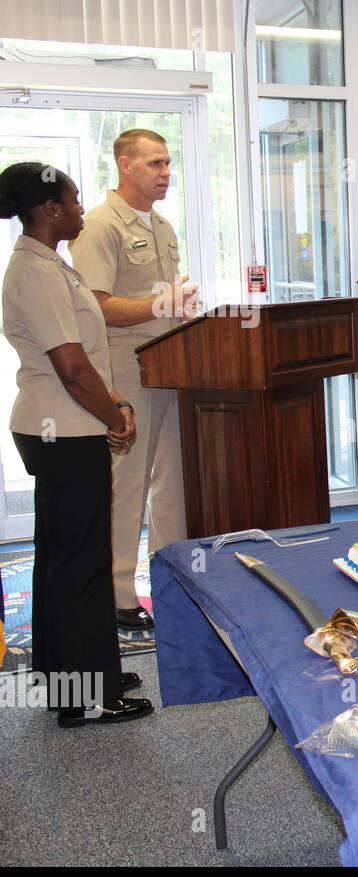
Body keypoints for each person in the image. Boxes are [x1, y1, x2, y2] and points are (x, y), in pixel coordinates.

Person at [1, 161, 152, 726]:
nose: (82, 209)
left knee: (66, 558)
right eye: (74, 200)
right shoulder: (35, 271)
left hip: (68, 425)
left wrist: (112, 409)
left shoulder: (48, 264)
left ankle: (76, 674)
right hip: (62, 429)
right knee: (80, 562)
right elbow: (70, 364)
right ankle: (88, 696)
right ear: (49, 210)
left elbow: (80, 358)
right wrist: (115, 414)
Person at [69, 128, 197, 632]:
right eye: (155, 164)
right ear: (125, 164)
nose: (165, 174)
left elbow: (165, 301)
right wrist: (158, 305)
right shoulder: (100, 226)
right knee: (127, 483)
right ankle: (119, 593)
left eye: (168, 164)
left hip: (170, 363)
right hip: (127, 366)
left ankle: (172, 579)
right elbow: (94, 304)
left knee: (174, 483)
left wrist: (182, 310)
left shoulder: (163, 226)